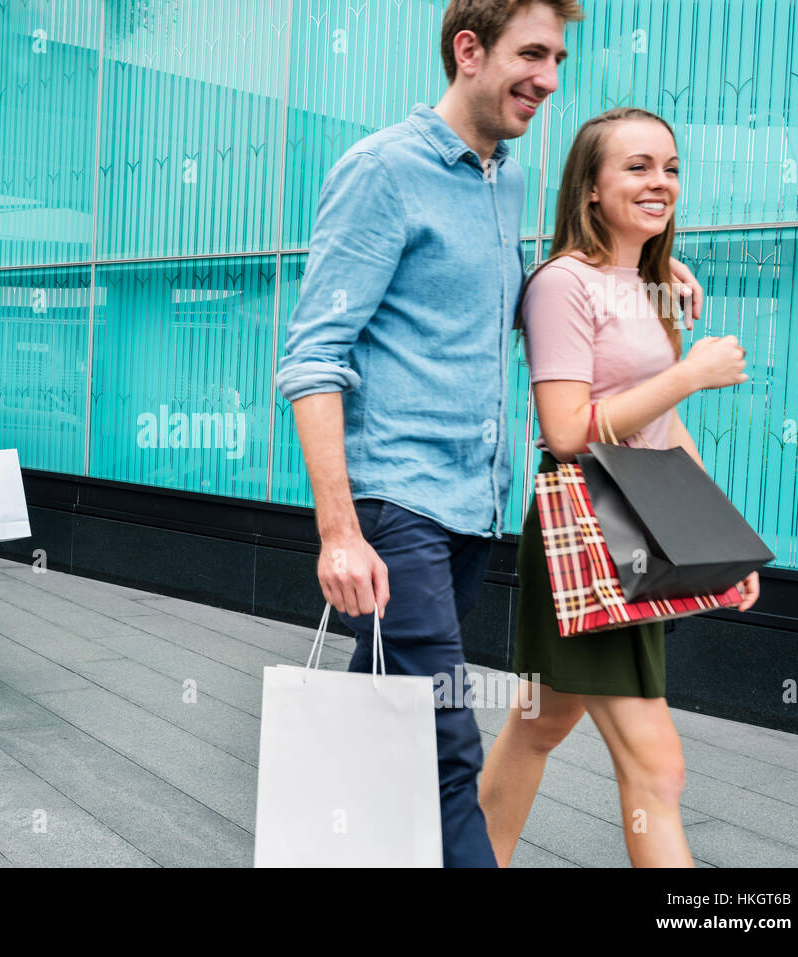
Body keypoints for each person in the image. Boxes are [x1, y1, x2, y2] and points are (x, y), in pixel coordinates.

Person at [274, 0, 707, 867]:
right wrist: (339, 529)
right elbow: (313, 357)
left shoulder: (499, 175)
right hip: (398, 505)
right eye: (533, 54)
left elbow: (527, 306)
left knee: (388, 728)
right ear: (468, 51)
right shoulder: (382, 170)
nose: (550, 78)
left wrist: (642, 272)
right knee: (445, 745)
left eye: (557, 58)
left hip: (474, 507)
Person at [477, 108, 760, 867]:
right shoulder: (562, 285)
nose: (659, 181)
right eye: (636, 167)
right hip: (590, 535)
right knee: (657, 763)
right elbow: (567, 429)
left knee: (538, 725)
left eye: (669, 167)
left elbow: (661, 428)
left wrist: (722, 540)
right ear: (591, 188)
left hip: (634, 536)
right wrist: (688, 375)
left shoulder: (649, 284)